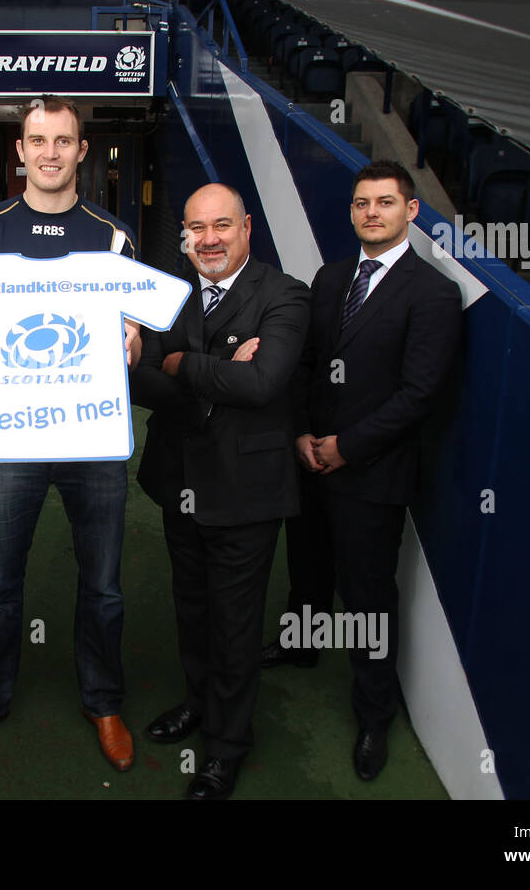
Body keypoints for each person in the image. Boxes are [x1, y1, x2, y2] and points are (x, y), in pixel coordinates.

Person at [0, 95, 141, 772]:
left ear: (83, 151)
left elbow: (133, 330)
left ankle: (103, 698)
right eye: (37, 140)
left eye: (64, 140)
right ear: (18, 151)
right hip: (9, 441)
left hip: (92, 439)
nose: (50, 152)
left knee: (105, 584)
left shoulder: (114, 237)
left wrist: (132, 342)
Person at [266, 160, 462, 781]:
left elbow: (419, 395)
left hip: (370, 470)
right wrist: (301, 432)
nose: (370, 213)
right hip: (309, 458)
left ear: (410, 212)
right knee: (307, 564)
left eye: (383, 202)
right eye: (360, 203)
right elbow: (304, 365)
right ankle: (302, 646)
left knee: (370, 594)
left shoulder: (433, 293)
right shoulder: (329, 279)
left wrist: (344, 447)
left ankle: (373, 712)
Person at [129, 183, 309, 799]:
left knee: (235, 623)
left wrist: (181, 362)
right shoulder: (172, 296)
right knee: (194, 606)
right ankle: (199, 703)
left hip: (246, 491)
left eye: (221, 226)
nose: (207, 240)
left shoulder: (285, 295)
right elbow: (141, 381)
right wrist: (218, 367)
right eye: (196, 228)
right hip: (179, 480)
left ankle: (227, 746)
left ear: (247, 228)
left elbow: (262, 383)